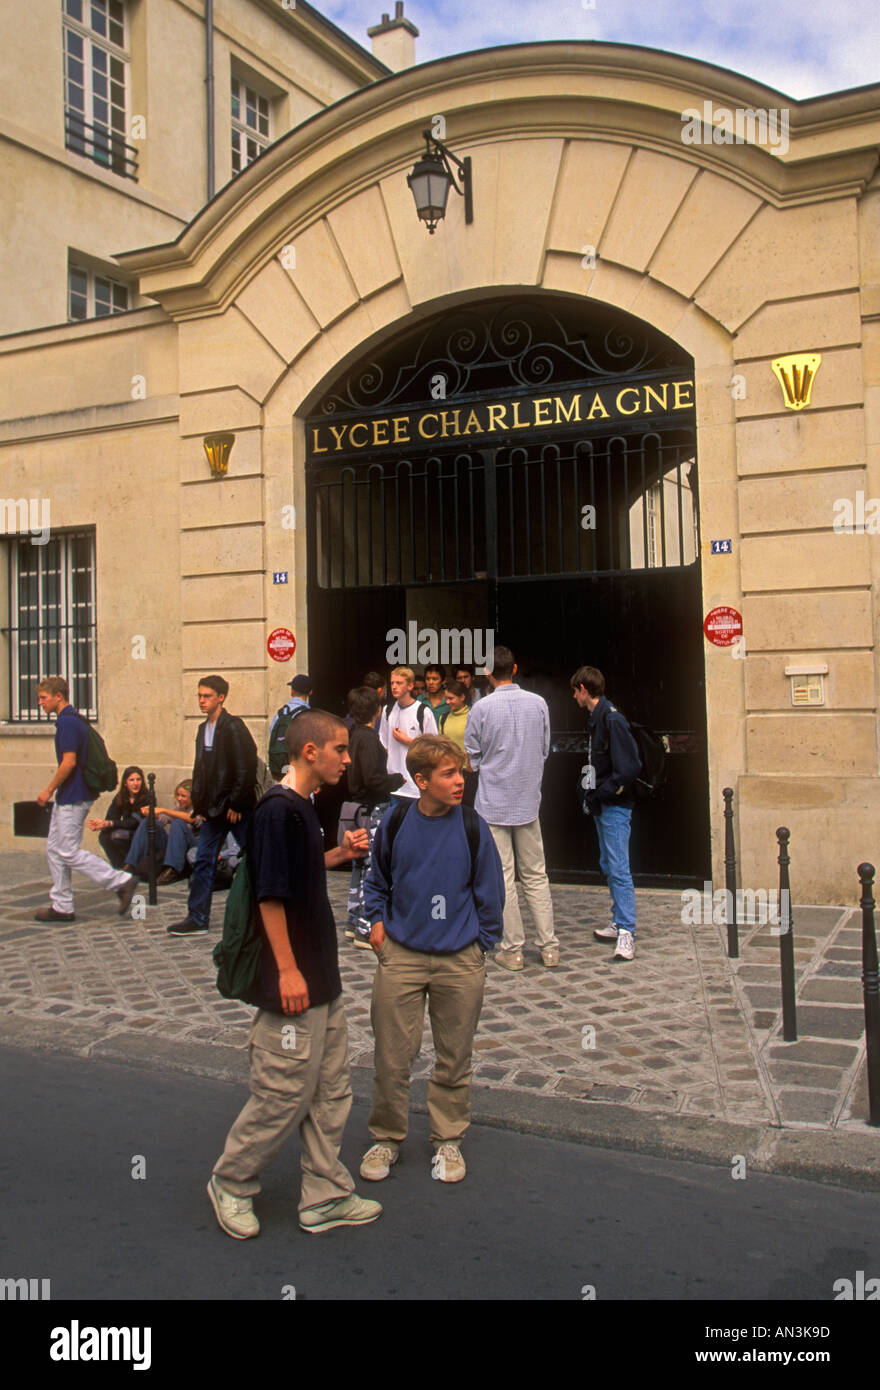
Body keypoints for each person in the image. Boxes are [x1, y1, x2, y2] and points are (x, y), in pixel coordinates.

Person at [207, 708, 382, 1239]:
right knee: (282, 1092)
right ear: (311, 752)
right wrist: (287, 972)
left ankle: (325, 1194)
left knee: (332, 1092)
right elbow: (270, 895)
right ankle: (231, 1182)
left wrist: (337, 852)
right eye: (341, 750)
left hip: (321, 980)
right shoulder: (278, 811)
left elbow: (296, 869)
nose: (348, 760)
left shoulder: (302, 808)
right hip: (295, 983)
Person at [359, 734, 504, 1185]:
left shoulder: (471, 826)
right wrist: (377, 924)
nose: (459, 781)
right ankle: (386, 1138)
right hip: (401, 953)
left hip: (459, 958)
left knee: (454, 1056)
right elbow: (377, 877)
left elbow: (490, 891)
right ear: (421, 780)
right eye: (448, 774)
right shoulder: (397, 821)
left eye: (460, 772)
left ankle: (447, 1141)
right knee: (391, 1056)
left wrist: (483, 944)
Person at [464, 645, 559, 970]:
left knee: (502, 876)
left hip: (494, 802)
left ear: (488, 673)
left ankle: (513, 949)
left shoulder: (481, 708)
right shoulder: (539, 704)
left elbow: (472, 757)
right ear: (514, 668)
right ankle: (549, 946)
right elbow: (545, 748)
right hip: (527, 801)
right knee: (536, 874)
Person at [33, 676, 139, 922]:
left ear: (59, 696)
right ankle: (62, 906)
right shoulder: (71, 720)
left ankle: (121, 881)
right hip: (70, 794)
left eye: (43, 697)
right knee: (54, 849)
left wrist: (48, 790)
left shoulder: (68, 723)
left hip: (74, 795)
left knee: (67, 851)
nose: (40, 703)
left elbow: (68, 762)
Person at [168, 675, 257, 937]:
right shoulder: (201, 729)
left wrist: (237, 803)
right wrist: (200, 804)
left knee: (255, 858)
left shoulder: (234, 727)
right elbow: (201, 770)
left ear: (221, 697)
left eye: (206, 696)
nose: (201, 701)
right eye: (199, 696)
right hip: (212, 810)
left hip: (234, 809)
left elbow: (246, 766)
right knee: (204, 860)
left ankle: (268, 910)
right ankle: (197, 918)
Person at [570, 665, 641, 961]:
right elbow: (596, 761)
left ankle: (627, 932)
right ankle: (618, 920)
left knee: (619, 867)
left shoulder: (612, 719)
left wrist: (600, 792)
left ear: (584, 690)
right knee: (608, 863)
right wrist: (586, 789)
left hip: (614, 805)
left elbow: (629, 768)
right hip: (602, 803)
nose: (573, 697)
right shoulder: (596, 719)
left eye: (575, 691)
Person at [344, 685, 405, 949]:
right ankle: (366, 928)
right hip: (372, 807)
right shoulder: (368, 737)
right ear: (377, 710)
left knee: (360, 865)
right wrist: (396, 779)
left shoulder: (354, 733)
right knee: (373, 867)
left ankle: (353, 920)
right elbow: (372, 778)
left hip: (358, 807)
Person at [123, 779, 202, 884]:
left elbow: (193, 819)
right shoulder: (179, 808)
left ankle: (172, 870)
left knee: (178, 823)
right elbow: (164, 818)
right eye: (178, 795)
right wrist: (151, 813)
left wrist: (164, 810)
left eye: (183, 796)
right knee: (149, 822)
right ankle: (130, 864)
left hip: (193, 848)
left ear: (192, 797)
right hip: (174, 848)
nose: (179, 798)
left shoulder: (200, 809)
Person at [378, 667, 437, 805]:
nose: (394, 687)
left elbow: (434, 748)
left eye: (399, 683)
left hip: (415, 788)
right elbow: (383, 745)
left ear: (410, 686)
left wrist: (409, 741)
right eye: (392, 683)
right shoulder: (388, 710)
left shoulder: (423, 712)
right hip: (393, 785)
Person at [88, 766, 150, 869]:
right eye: (132, 780)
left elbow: (134, 822)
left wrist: (110, 823)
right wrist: (101, 825)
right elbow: (111, 816)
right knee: (104, 836)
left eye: (138, 779)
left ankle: (127, 867)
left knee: (117, 835)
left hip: (139, 834)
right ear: (125, 783)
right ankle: (120, 867)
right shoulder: (121, 797)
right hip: (126, 830)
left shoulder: (147, 798)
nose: (135, 783)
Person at [438, 679, 477, 807]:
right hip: (447, 772)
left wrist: (471, 765)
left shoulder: (473, 717)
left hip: (467, 774)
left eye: (451, 698)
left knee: (466, 810)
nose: (447, 702)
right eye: (446, 698)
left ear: (462, 697)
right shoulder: (443, 718)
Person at [267, 675, 312, 780]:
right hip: (301, 771)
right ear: (310, 692)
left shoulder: (280, 713)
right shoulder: (308, 714)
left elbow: (272, 733)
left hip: (280, 769)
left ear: (292, 691)